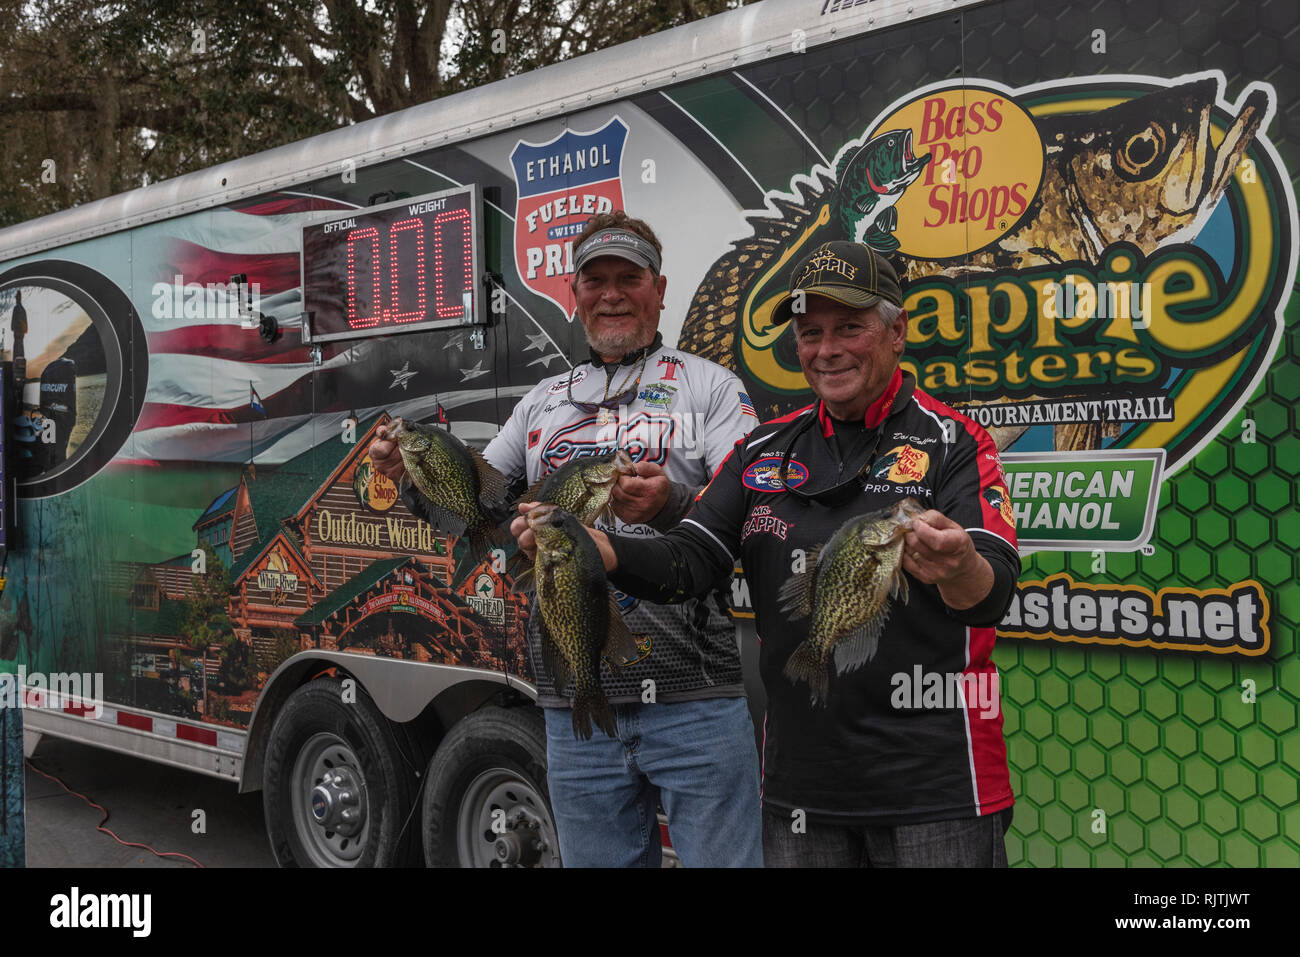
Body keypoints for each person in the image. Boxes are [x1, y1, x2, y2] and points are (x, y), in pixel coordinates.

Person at [513, 241, 1021, 867]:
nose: (827, 349)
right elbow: (689, 562)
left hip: (935, 790)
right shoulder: (764, 450)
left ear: (897, 332)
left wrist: (961, 567)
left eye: (849, 328)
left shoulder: (953, 441)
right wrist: (600, 549)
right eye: (810, 333)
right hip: (800, 794)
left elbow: (993, 591)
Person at [369, 211, 763, 867]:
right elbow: (481, 516)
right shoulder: (540, 404)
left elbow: (750, 525)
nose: (611, 293)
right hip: (573, 707)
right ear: (574, 295)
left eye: (628, 277)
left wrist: (671, 503)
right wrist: (407, 477)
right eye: (595, 279)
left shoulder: (712, 388)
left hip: (694, 700)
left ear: (659, 289)